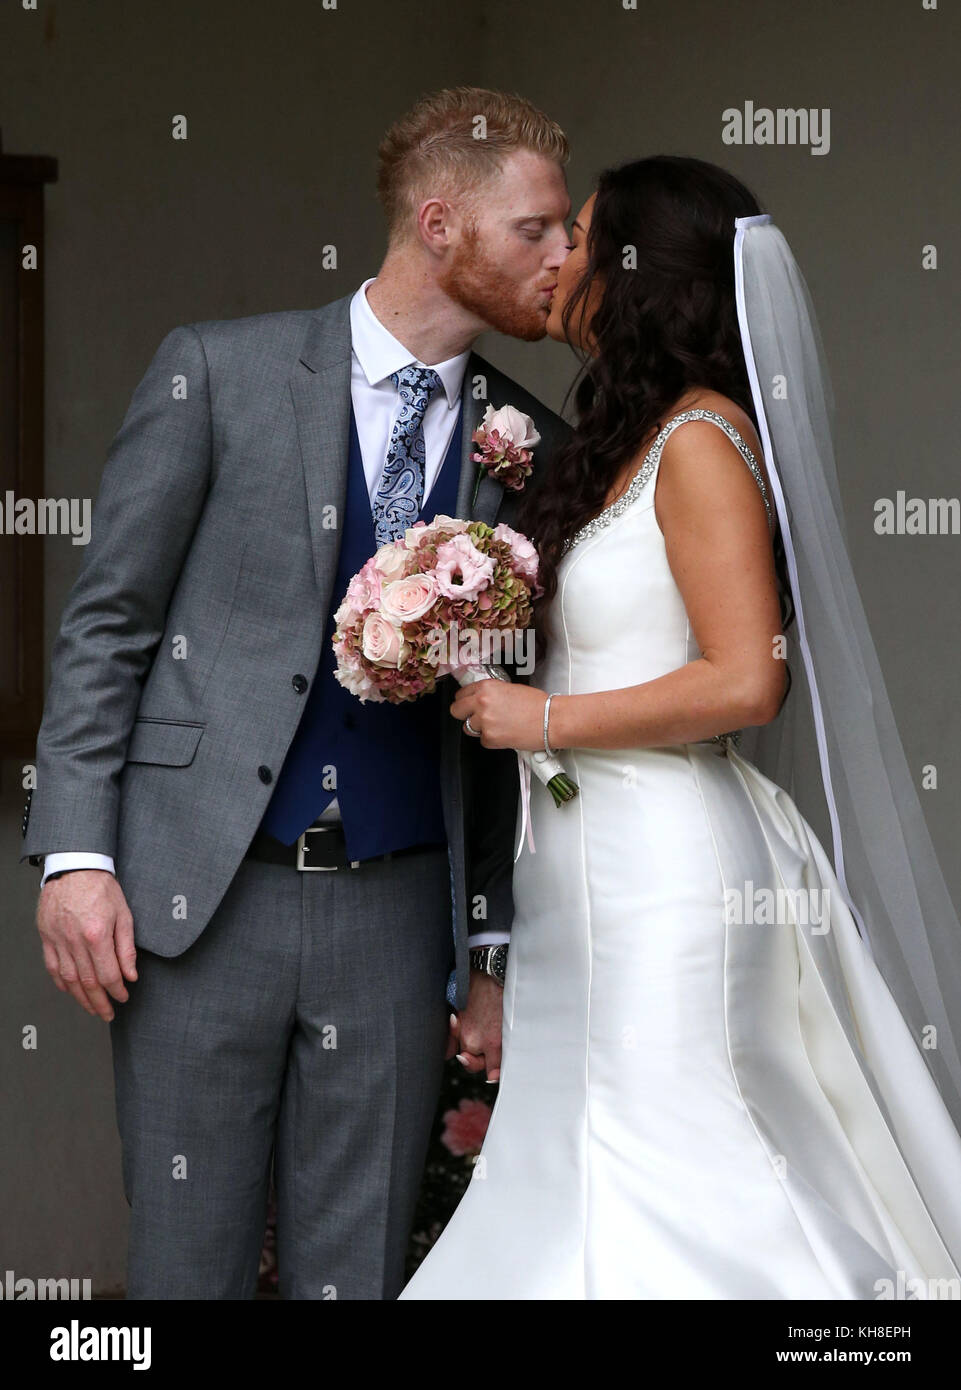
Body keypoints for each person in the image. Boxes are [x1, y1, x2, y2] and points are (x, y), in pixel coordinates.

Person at [20, 86, 572, 1300]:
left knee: (352, 1274)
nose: (565, 255)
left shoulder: (528, 440)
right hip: (202, 898)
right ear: (440, 224)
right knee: (186, 1268)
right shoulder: (220, 371)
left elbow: (502, 724)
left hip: (395, 909)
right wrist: (74, 855)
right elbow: (109, 625)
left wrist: (487, 944)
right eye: (536, 228)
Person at [401, 155, 961, 1299]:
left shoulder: (700, 441)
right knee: (581, 1162)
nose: (558, 260)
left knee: (682, 1165)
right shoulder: (621, 443)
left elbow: (747, 681)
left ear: (637, 273)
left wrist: (543, 715)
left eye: (583, 238)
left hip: (668, 874)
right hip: (583, 864)